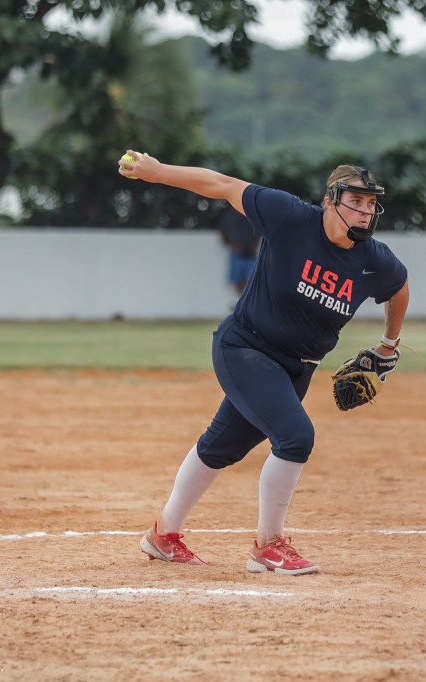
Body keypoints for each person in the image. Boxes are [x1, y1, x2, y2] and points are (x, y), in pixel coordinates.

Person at [118, 150, 409, 575]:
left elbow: (399, 288)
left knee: (222, 445)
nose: (365, 212)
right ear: (331, 200)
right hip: (245, 349)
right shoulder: (289, 216)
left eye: (370, 205)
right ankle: (267, 545)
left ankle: (162, 535)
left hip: (297, 368)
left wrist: (388, 346)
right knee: (295, 436)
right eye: (356, 201)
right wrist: (158, 172)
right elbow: (223, 185)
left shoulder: (373, 260)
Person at [217, 205, 260, 295]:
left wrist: (254, 246)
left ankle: (248, 300)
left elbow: (258, 231)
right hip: (236, 252)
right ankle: (239, 300)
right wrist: (233, 245)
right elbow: (223, 232)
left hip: (250, 252)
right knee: (237, 279)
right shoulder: (229, 215)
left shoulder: (251, 214)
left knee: (253, 278)